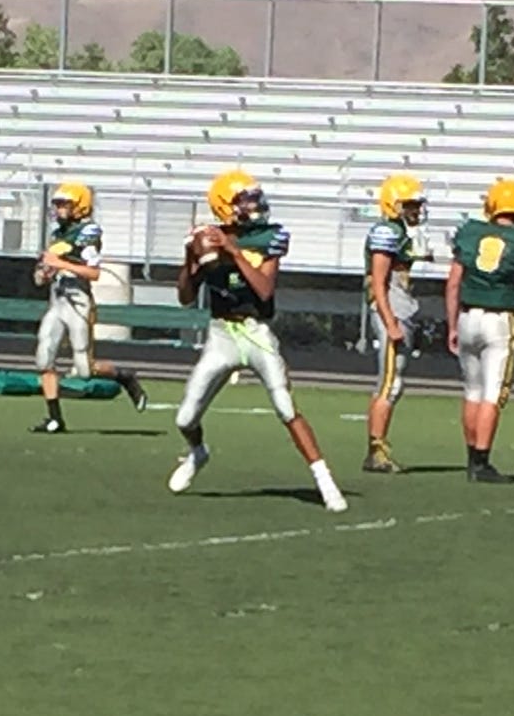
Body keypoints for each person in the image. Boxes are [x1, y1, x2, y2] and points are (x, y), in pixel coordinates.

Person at [169, 169, 344, 511]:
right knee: (184, 418)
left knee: (285, 407)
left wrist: (233, 252)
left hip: (256, 331)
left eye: (252, 198)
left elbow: (264, 291)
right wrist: (191, 259)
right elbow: (185, 298)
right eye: (243, 200)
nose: (253, 204)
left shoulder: (269, 237)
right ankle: (197, 453)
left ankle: (325, 481)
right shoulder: (208, 237)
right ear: (225, 206)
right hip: (221, 334)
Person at [445, 177, 514, 482]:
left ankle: (472, 459)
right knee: (492, 394)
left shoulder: (469, 233)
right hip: (499, 320)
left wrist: (451, 324)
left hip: (467, 316)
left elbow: (454, 282)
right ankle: (482, 463)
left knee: (471, 391)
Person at [359, 172, 426, 472]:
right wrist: (390, 321)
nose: (415, 210)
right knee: (389, 383)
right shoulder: (386, 232)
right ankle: (376, 450)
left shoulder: (396, 231)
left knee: (391, 383)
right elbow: (379, 281)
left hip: (399, 309)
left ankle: (377, 447)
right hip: (392, 311)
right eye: (409, 204)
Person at [29, 180, 105, 432]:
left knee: (84, 371)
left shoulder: (89, 232)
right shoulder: (57, 234)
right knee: (44, 358)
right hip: (58, 301)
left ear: (79, 206)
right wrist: (44, 272)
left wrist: (61, 264)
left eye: (64, 204)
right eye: (58, 204)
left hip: (79, 302)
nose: (59, 209)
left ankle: (124, 376)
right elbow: (45, 271)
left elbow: (93, 274)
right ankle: (54, 418)